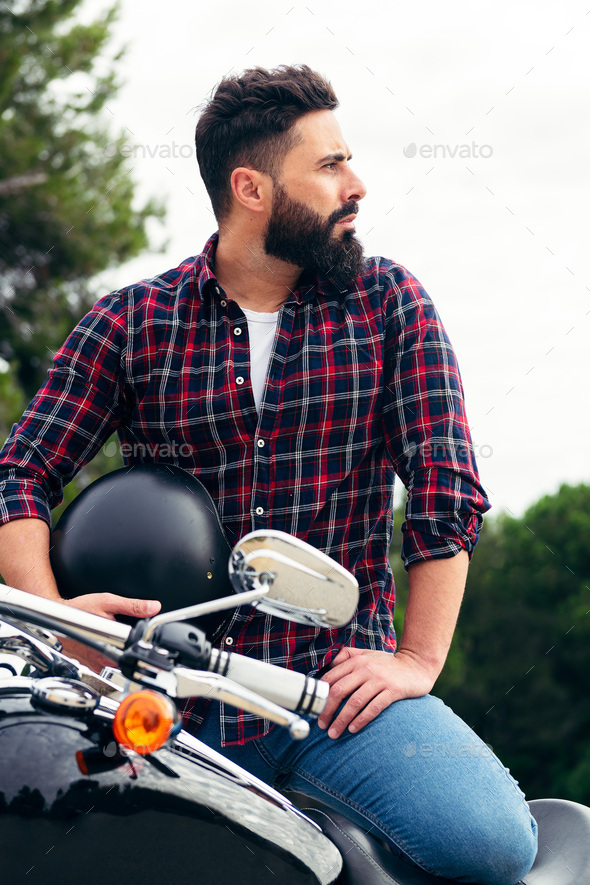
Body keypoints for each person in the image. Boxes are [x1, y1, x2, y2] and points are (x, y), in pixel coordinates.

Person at [0, 65, 537, 883]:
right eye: (329, 167)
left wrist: (416, 662)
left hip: (336, 693)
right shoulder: (133, 320)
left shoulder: (391, 303)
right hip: (163, 697)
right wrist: (66, 629)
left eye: (348, 160)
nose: (356, 185)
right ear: (250, 188)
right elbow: (19, 476)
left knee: (490, 843)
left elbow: (446, 492)